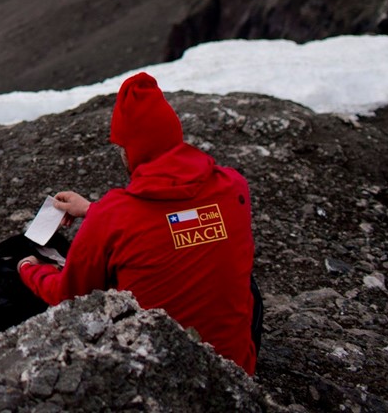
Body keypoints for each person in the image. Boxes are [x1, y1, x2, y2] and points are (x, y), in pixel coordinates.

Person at [16, 72, 259, 374]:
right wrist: (92, 210)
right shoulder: (233, 185)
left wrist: (30, 269)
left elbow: (68, 295)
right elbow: (171, 223)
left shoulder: (114, 215)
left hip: (159, 377)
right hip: (237, 370)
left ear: (131, 150)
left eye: (121, 148)